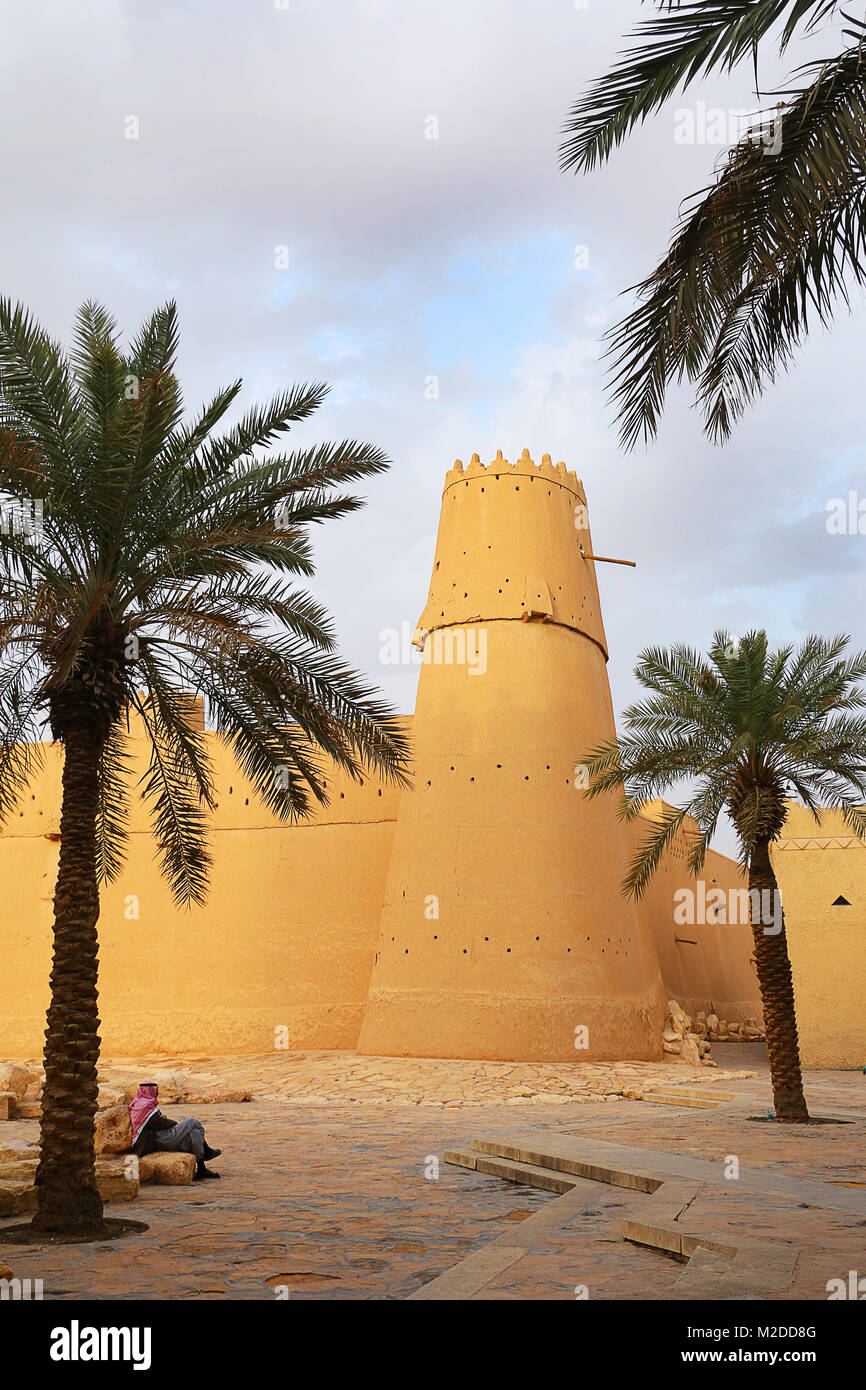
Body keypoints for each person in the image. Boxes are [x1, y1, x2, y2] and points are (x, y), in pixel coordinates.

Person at [128, 1082, 222, 1181]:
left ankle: (201, 1168)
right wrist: (174, 1124)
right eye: (155, 1091)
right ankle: (206, 1152)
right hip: (159, 1139)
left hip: (159, 1137)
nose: (157, 1094)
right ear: (149, 1091)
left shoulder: (140, 1104)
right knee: (193, 1122)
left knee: (195, 1133)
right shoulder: (145, 1105)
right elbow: (158, 1123)